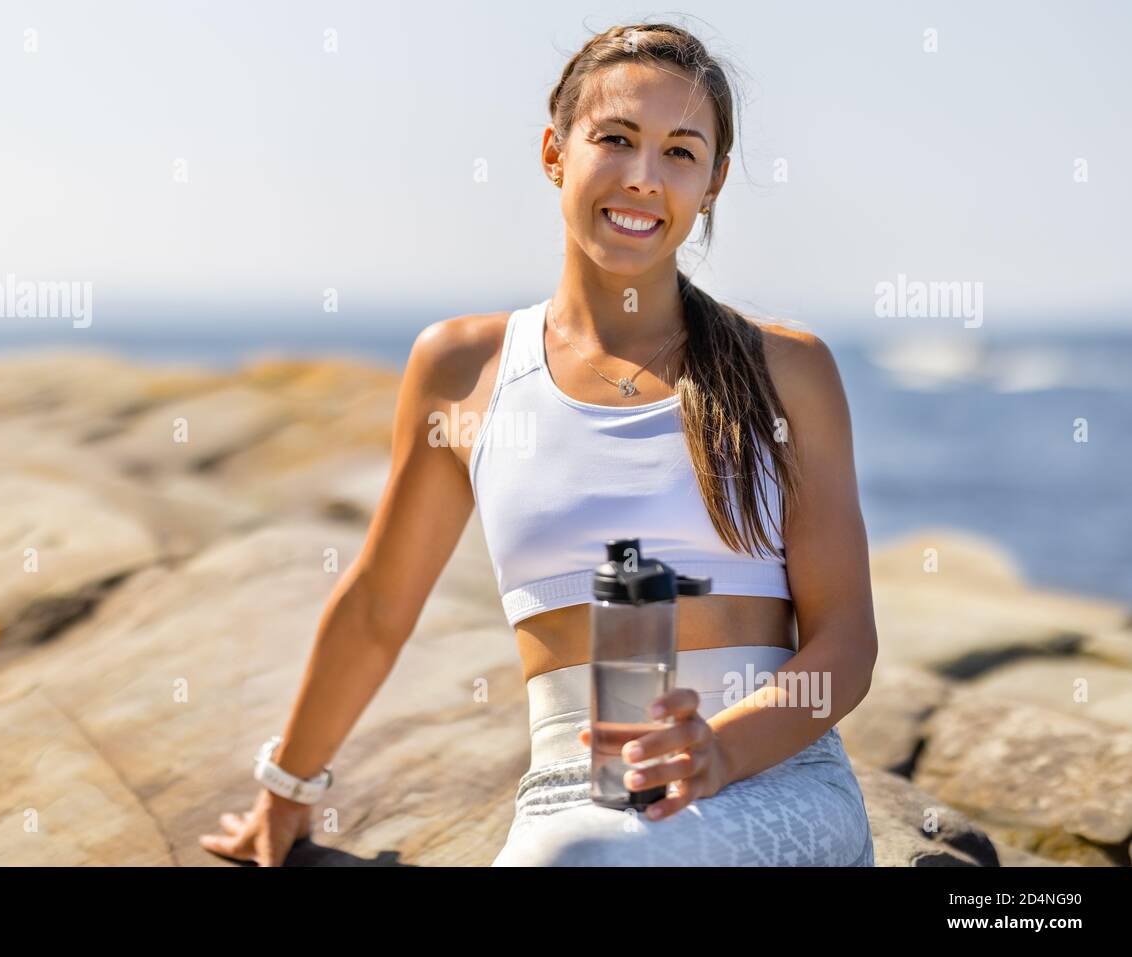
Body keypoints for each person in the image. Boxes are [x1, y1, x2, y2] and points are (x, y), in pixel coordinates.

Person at [201, 20, 877, 867]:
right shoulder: (466, 368)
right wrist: (286, 790)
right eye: (616, 139)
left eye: (680, 152)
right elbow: (379, 605)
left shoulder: (786, 369)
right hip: (570, 794)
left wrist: (722, 749)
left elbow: (846, 641)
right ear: (556, 152)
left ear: (713, 182)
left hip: (775, 777)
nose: (642, 178)